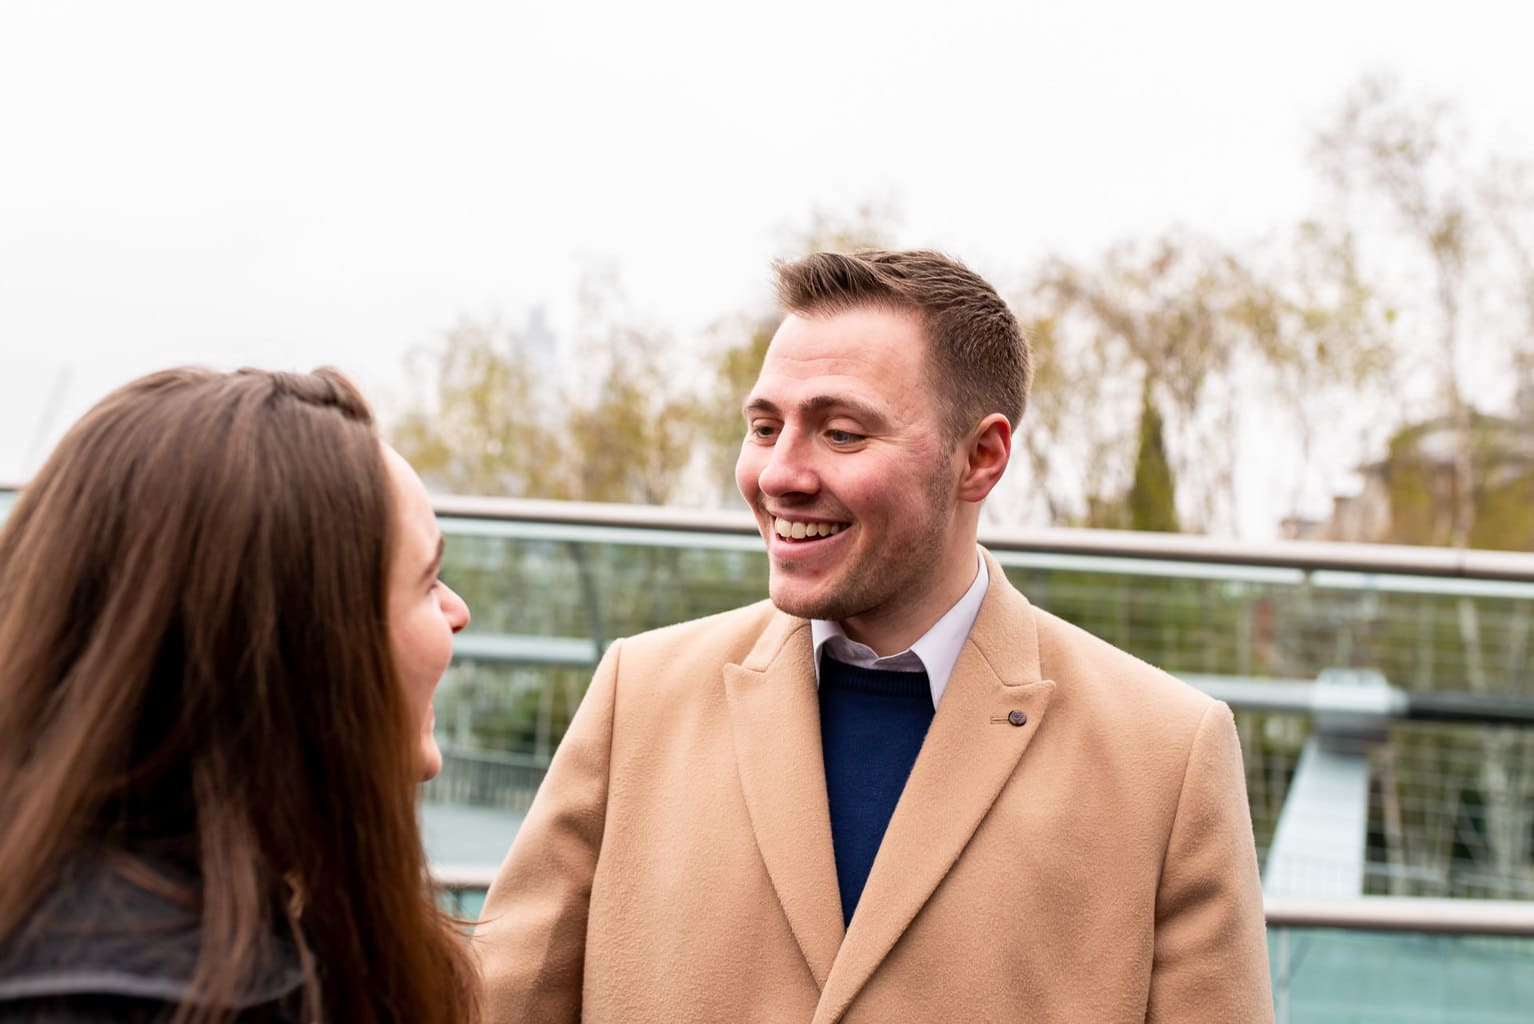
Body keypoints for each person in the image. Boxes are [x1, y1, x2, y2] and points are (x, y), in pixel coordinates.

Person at [476, 250, 1273, 1023]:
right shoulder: (636, 696)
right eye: (763, 427)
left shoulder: (1168, 754)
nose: (779, 473)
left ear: (981, 458)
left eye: (842, 433)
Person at [0, 368, 479, 1023]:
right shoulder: (236, 995)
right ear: (307, 649)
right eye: (427, 582)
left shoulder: (65, 930)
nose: (458, 611)